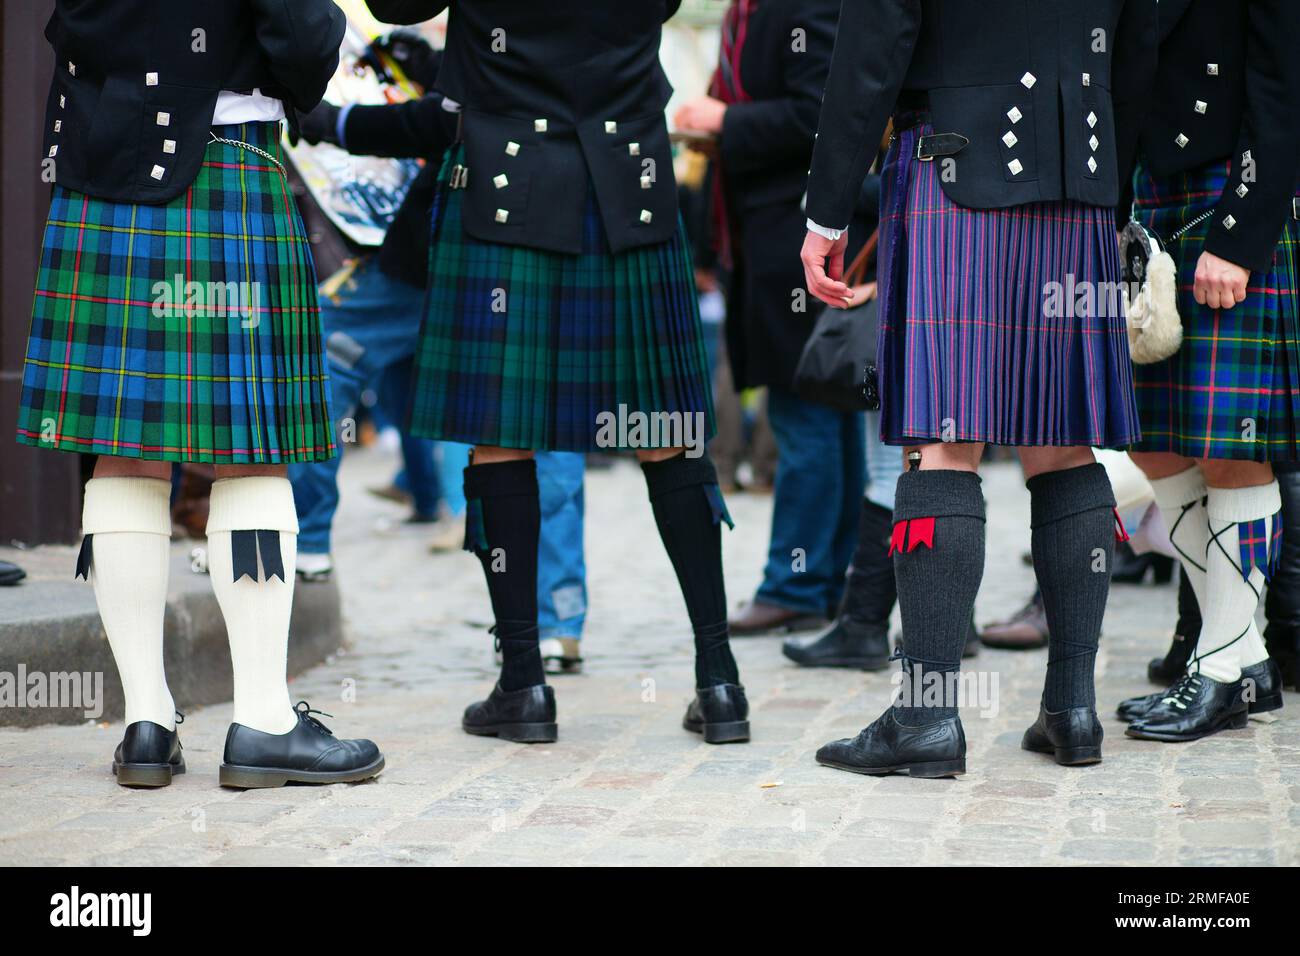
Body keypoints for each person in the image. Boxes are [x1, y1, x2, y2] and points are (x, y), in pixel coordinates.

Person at [16, 0, 383, 789]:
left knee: (125, 451)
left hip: (102, 162)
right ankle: (262, 719)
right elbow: (304, 39)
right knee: (252, 454)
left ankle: (145, 723)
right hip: (224, 161)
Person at [367, 0, 747, 745]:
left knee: (501, 432)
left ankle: (524, 686)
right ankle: (720, 678)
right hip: (627, 180)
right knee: (664, 431)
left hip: (506, 183)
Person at [801, 0, 1156, 776]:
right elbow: (1139, 43)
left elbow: (874, 38)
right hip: (1080, 181)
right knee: (1062, 447)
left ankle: (926, 719)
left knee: (944, 441)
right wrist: (1110, 186)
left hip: (954, 163)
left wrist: (827, 210)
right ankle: (1073, 709)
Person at [1117, 0, 1300, 742]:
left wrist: (1242, 231)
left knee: (1231, 446)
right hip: (1150, 195)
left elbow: (1285, 85)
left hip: (1230, 194)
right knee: (1149, 438)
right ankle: (1246, 657)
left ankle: (1222, 667)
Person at [676, 0, 857, 637]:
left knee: (806, 412)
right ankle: (827, 580)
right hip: (766, 239)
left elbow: (824, 116)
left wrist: (727, 119)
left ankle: (798, 583)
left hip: (798, 240)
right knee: (820, 414)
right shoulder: (750, 7)